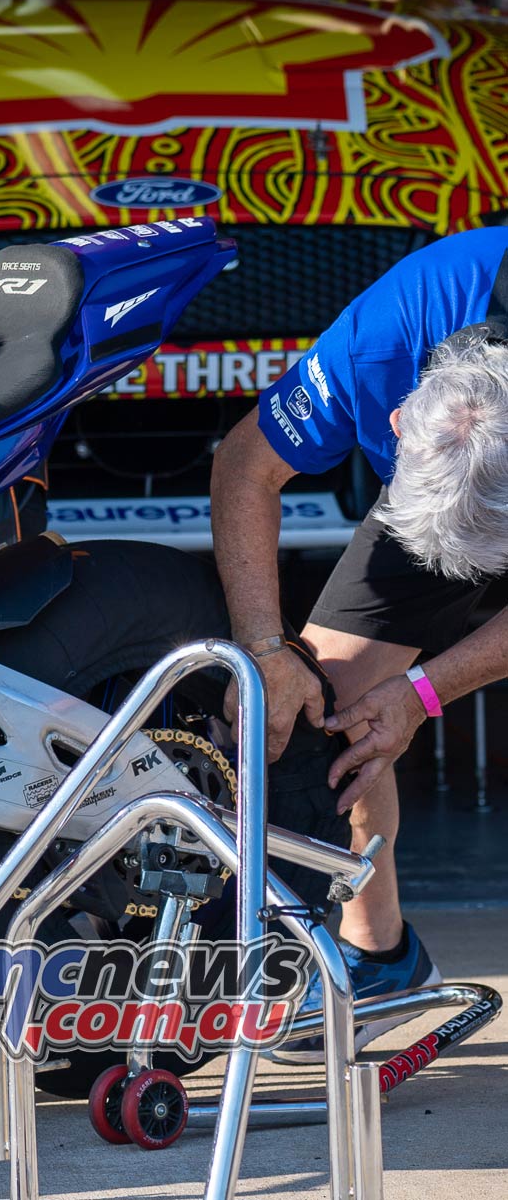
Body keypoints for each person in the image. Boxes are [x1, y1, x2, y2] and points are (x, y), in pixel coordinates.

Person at [209, 227, 508, 1048]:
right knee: (325, 712)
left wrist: (425, 692)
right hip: (454, 472)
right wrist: (266, 651)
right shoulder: (389, 333)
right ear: (400, 417)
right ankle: (378, 954)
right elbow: (245, 465)